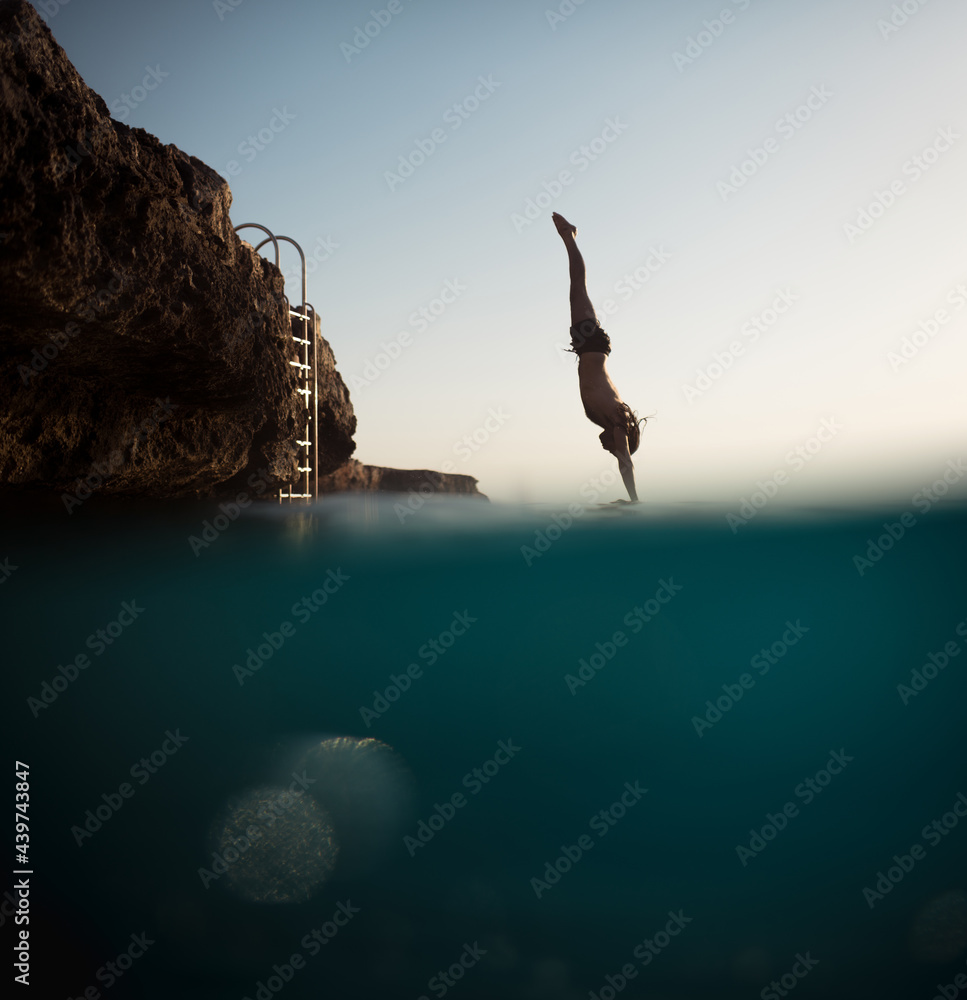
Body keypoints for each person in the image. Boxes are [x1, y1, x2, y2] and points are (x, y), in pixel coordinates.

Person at [552, 212, 646, 503]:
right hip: (592, 344)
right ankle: (569, 236)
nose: (605, 448)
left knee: (575, 289)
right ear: (622, 443)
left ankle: (569, 238)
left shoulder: (608, 419)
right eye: (612, 449)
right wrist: (634, 501)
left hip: (588, 348)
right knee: (577, 286)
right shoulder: (618, 423)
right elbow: (626, 463)